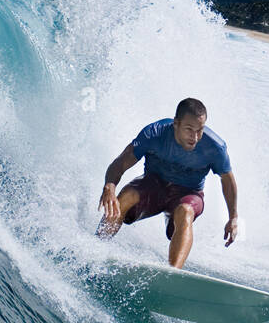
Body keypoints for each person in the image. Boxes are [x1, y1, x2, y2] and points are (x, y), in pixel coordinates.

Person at [97, 97, 240, 268]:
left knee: (185, 212)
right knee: (126, 196)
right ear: (176, 123)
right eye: (189, 129)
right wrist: (110, 186)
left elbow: (228, 180)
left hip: (188, 194)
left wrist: (233, 217)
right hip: (153, 186)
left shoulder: (215, 147)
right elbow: (121, 163)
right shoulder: (155, 133)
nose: (195, 137)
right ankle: (96, 247)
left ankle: (173, 274)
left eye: (200, 130)